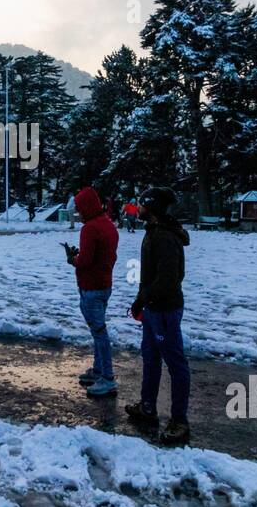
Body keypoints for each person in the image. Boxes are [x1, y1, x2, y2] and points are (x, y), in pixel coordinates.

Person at [124, 187, 191, 446]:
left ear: (151, 208)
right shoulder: (154, 232)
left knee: (175, 363)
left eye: (141, 204)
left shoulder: (164, 237)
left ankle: (179, 420)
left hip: (164, 309)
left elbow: (168, 279)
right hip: (153, 307)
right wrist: (143, 301)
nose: (137, 208)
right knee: (150, 358)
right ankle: (148, 405)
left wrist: (146, 298)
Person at [68, 187, 119, 398]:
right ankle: (98, 371)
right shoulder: (107, 223)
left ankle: (107, 377)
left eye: (80, 208)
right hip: (104, 284)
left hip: (91, 286)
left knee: (99, 333)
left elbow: (86, 261)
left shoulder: (90, 228)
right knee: (98, 331)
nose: (78, 213)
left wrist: (73, 259)